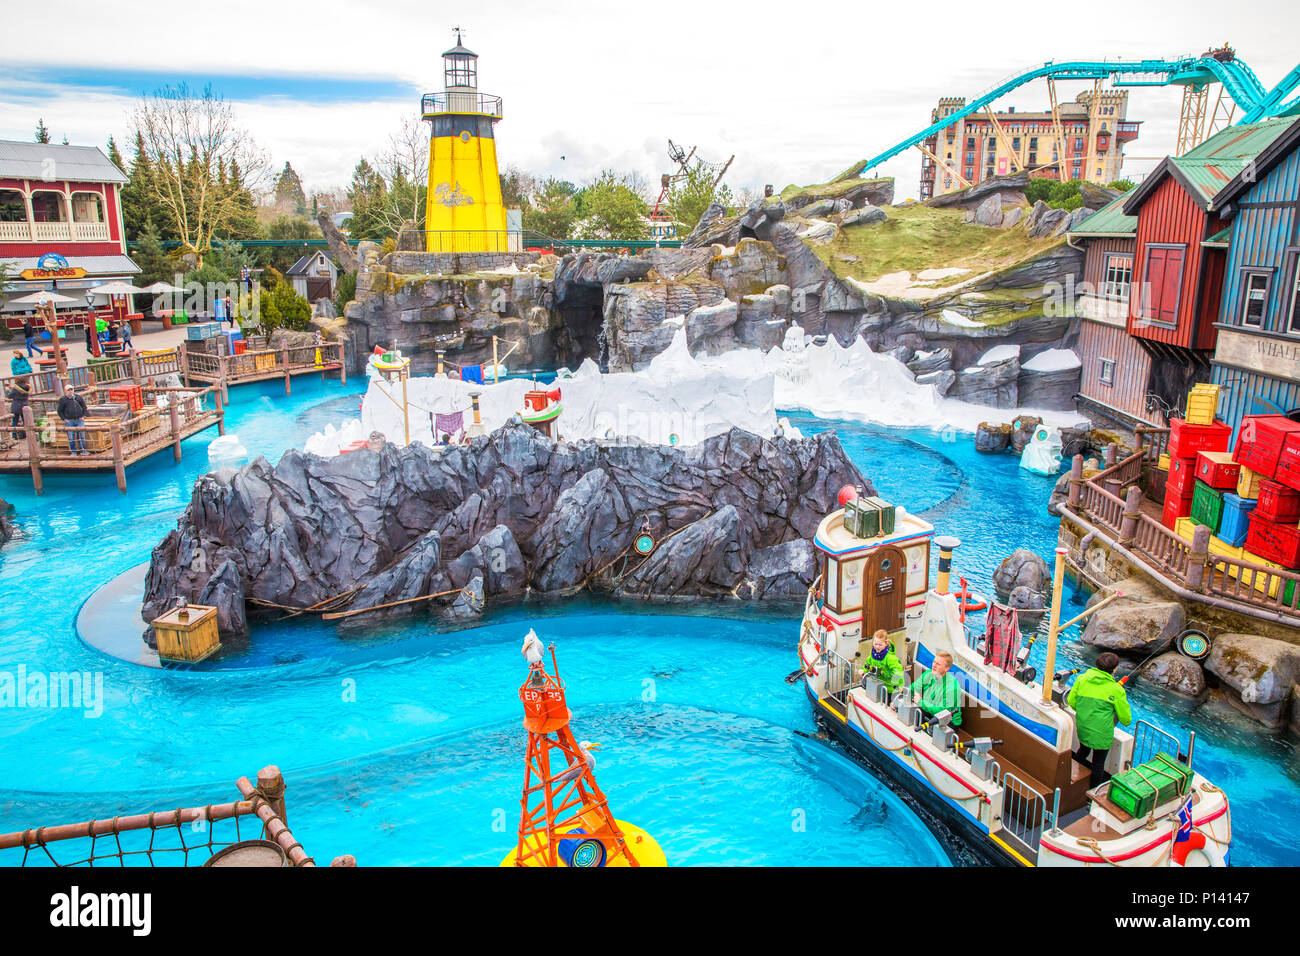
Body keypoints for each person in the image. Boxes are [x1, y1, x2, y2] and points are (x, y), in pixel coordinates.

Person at [1066, 652, 1132, 787]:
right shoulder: (1116, 690)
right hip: (1102, 735)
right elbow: (1126, 720)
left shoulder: (1082, 679)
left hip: (1083, 727)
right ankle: (1091, 794)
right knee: (1098, 763)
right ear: (1115, 669)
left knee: (1082, 751)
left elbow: (1071, 701)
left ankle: (1070, 780)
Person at [910, 651, 964, 727]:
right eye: (934, 662)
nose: (934, 666)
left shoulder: (953, 687)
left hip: (948, 721)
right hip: (929, 711)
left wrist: (921, 702)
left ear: (946, 668)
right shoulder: (928, 674)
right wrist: (897, 704)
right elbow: (913, 688)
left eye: (938, 664)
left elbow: (943, 712)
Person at [57, 384, 89, 456]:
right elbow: (59, 411)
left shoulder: (78, 397)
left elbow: (84, 407)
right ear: (65, 391)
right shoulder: (63, 400)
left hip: (79, 419)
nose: (70, 391)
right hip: (69, 421)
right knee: (71, 437)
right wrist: (64, 419)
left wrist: (84, 416)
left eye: (71, 389)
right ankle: (73, 451)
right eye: (68, 390)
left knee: (81, 436)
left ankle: (83, 450)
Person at [6, 375, 30, 440]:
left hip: (16, 406)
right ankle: (27, 434)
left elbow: (9, 396)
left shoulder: (15, 389)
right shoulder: (27, 387)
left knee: (15, 421)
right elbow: (19, 391)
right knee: (25, 421)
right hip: (25, 406)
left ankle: (14, 435)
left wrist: (7, 390)